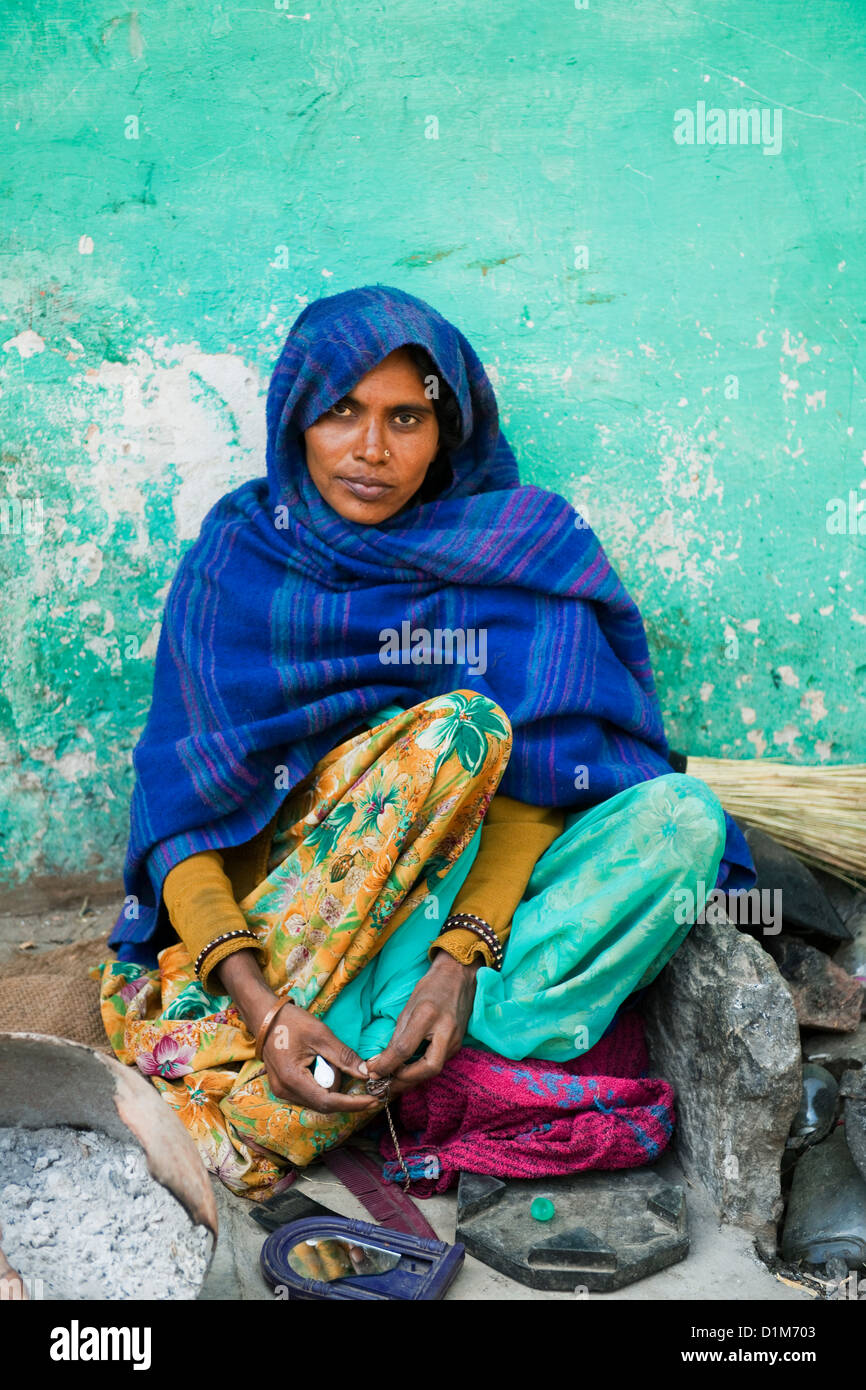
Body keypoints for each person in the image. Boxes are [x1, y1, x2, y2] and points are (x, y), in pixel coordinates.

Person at [98, 285, 755, 1198]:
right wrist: (263, 1004)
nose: (372, 450)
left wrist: (458, 960)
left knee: (686, 818)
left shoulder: (517, 544)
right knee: (462, 729)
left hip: (454, 944)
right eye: (342, 414)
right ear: (297, 423)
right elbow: (180, 819)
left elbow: (546, 782)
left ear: (449, 430)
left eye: (406, 417)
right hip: (297, 941)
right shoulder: (241, 563)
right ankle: (322, 1052)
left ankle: (401, 1057)